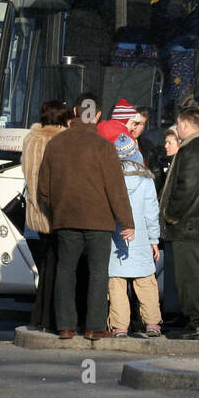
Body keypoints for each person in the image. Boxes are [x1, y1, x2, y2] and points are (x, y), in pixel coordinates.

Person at [38, 99, 135, 340]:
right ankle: (94, 327)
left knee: (65, 270)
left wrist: (55, 211)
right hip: (99, 221)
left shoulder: (55, 144)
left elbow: (44, 188)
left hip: (65, 218)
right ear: (98, 116)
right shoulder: (104, 146)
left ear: (74, 113)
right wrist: (127, 221)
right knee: (98, 272)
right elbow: (116, 188)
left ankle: (65, 326)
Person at [160, 106, 199, 340]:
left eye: (178, 125)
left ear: (185, 125)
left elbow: (185, 189)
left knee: (189, 279)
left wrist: (169, 215)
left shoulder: (191, 150)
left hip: (187, 226)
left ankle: (196, 324)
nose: (177, 130)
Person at [106, 135, 162, 338]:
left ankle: (120, 326)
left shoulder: (109, 180)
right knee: (146, 282)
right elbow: (151, 214)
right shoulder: (146, 181)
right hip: (140, 239)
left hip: (115, 238)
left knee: (117, 283)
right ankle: (152, 323)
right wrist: (154, 240)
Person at [23, 100, 70, 333]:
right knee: (59, 266)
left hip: (35, 212)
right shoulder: (62, 140)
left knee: (45, 265)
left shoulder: (30, 139)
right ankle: (51, 317)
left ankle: (39, 316)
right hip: (58, 212)